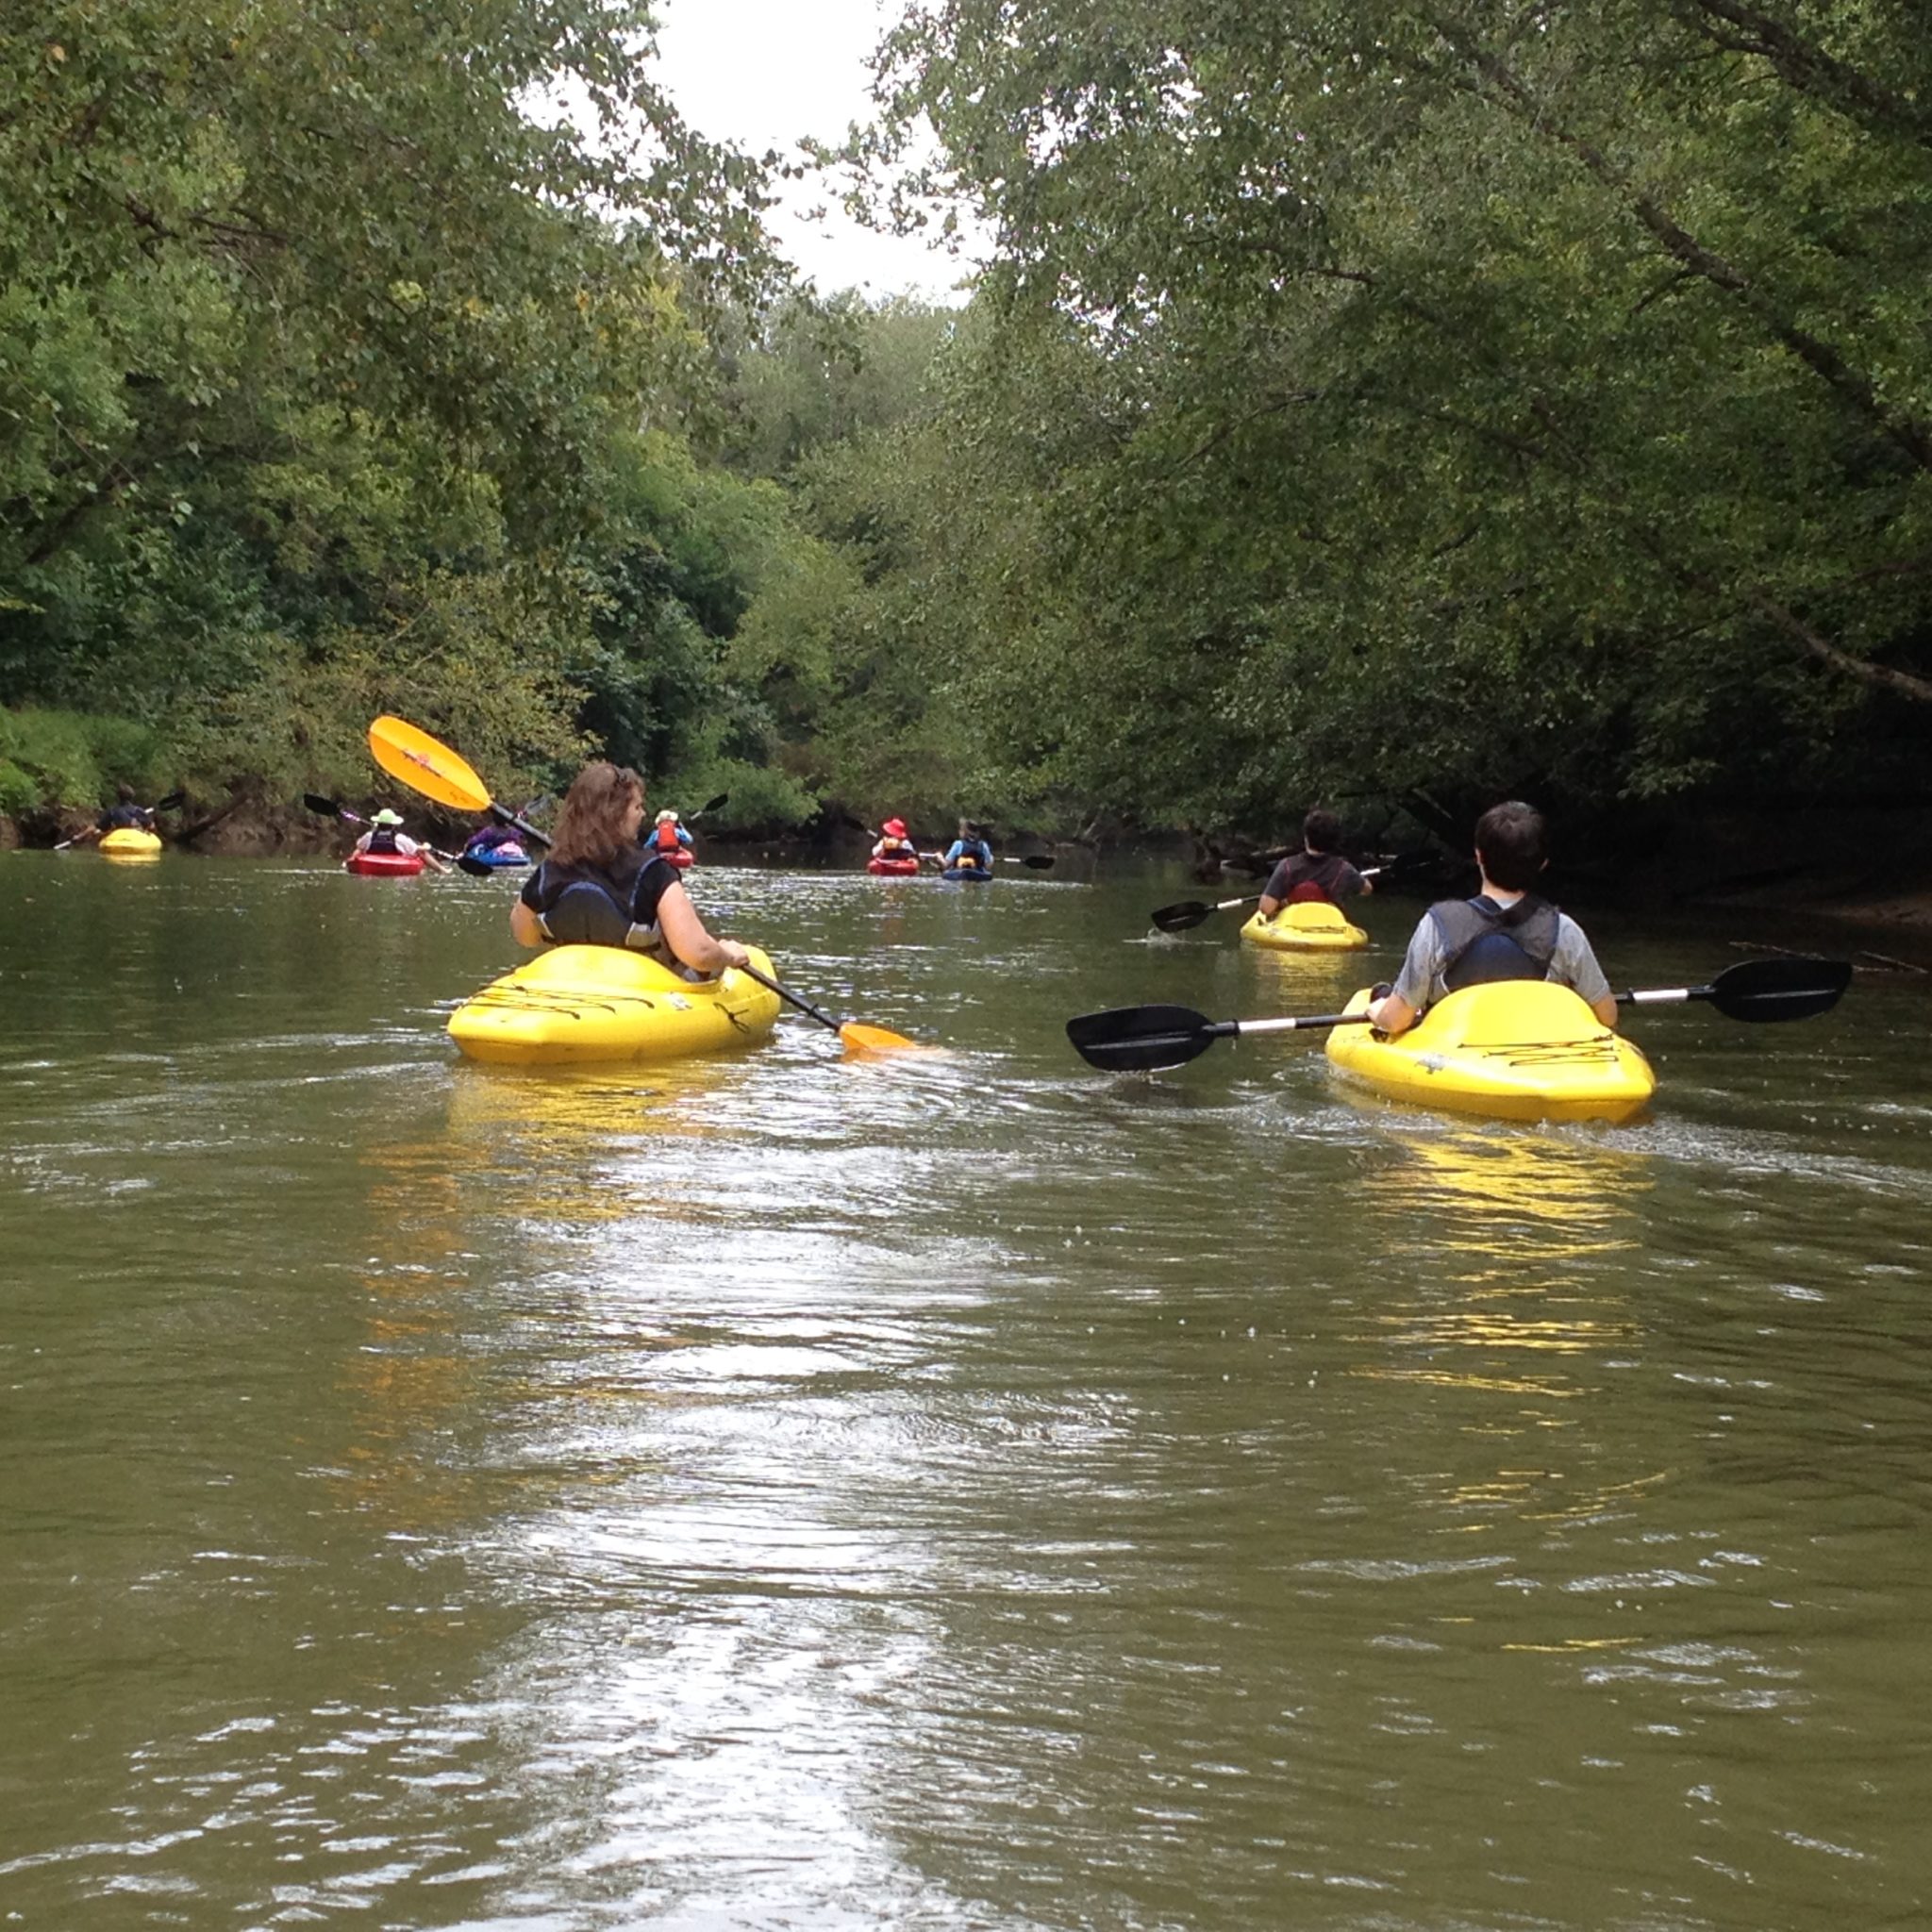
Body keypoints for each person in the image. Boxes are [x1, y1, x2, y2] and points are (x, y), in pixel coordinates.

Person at [1366, 800, 1616, 1037]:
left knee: (1381, 994)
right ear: (1542, 864)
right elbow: (1607, 1017)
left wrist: (1377, 1010)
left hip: (1458, 1046)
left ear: (1479, 857)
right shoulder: (1564, 930)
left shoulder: (1437, 925)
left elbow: (1397, 1021)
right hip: (1534, 1046)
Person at [509, 761, 748, 975]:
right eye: (637, 807)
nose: (643, 814)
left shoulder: (551, 869)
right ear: (615, 814)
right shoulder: (655, 871)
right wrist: (728, 954)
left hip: (571, 982)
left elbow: (525, 936)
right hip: (640, 991)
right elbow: (699, 953)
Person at [1257, 808, 1374, 916]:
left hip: (1293, 925)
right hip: (1330, 927)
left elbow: (1266, 908)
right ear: (1335, 840)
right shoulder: (1345, 869)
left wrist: (1283, 902)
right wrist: (1357, 877)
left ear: (1306, 837)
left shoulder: (1287, 866)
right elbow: (1367, 889)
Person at [349, 808, 449, 873]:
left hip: (371, 866)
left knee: (359, 849)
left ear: (378, 824)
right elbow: (418, 850)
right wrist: (426, 846)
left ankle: (347, 863)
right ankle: (441, 870)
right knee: (422, 853)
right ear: (393, 826)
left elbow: (359, 846)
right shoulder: (400, 838)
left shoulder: (369, 836)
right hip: (394, 868)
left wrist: (354, 855)